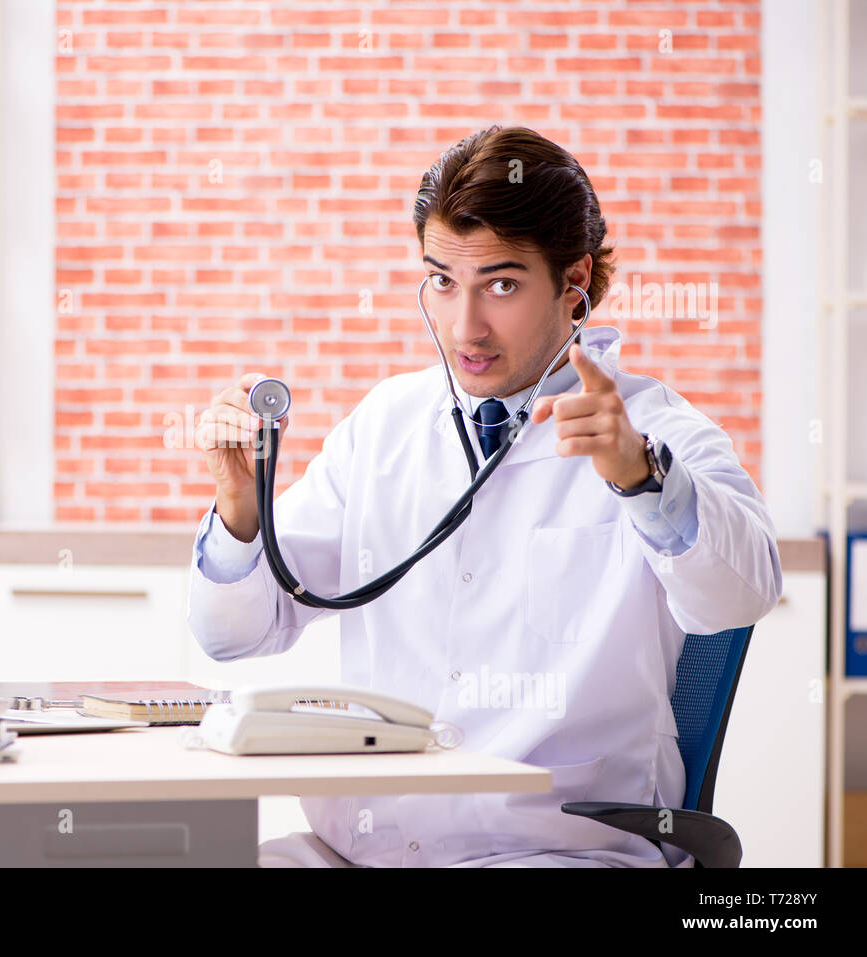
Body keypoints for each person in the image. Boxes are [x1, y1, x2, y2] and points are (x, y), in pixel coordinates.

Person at [185, 125, 783, 868]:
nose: (465, 327)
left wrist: (641, 479)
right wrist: (240, 508)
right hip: (358, 847)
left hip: (555, 850)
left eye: (501, 285)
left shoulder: (658, 432)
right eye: (442, 282)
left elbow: (740, 595)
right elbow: (232, 636)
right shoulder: (385, 425)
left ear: (574, 281)